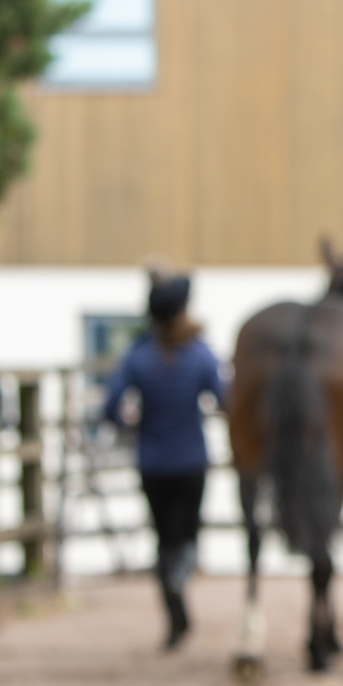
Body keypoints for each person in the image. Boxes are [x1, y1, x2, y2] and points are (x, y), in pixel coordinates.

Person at [103, 274, 226, 650]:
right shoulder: (200, 354)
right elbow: (225, 398)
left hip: (153, 461)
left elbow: (110, 405)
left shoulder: (139, 356)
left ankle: (175, 618)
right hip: (190, 460)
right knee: (187, 537)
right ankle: (180, 581)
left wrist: (129, 421)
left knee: (164, 539)